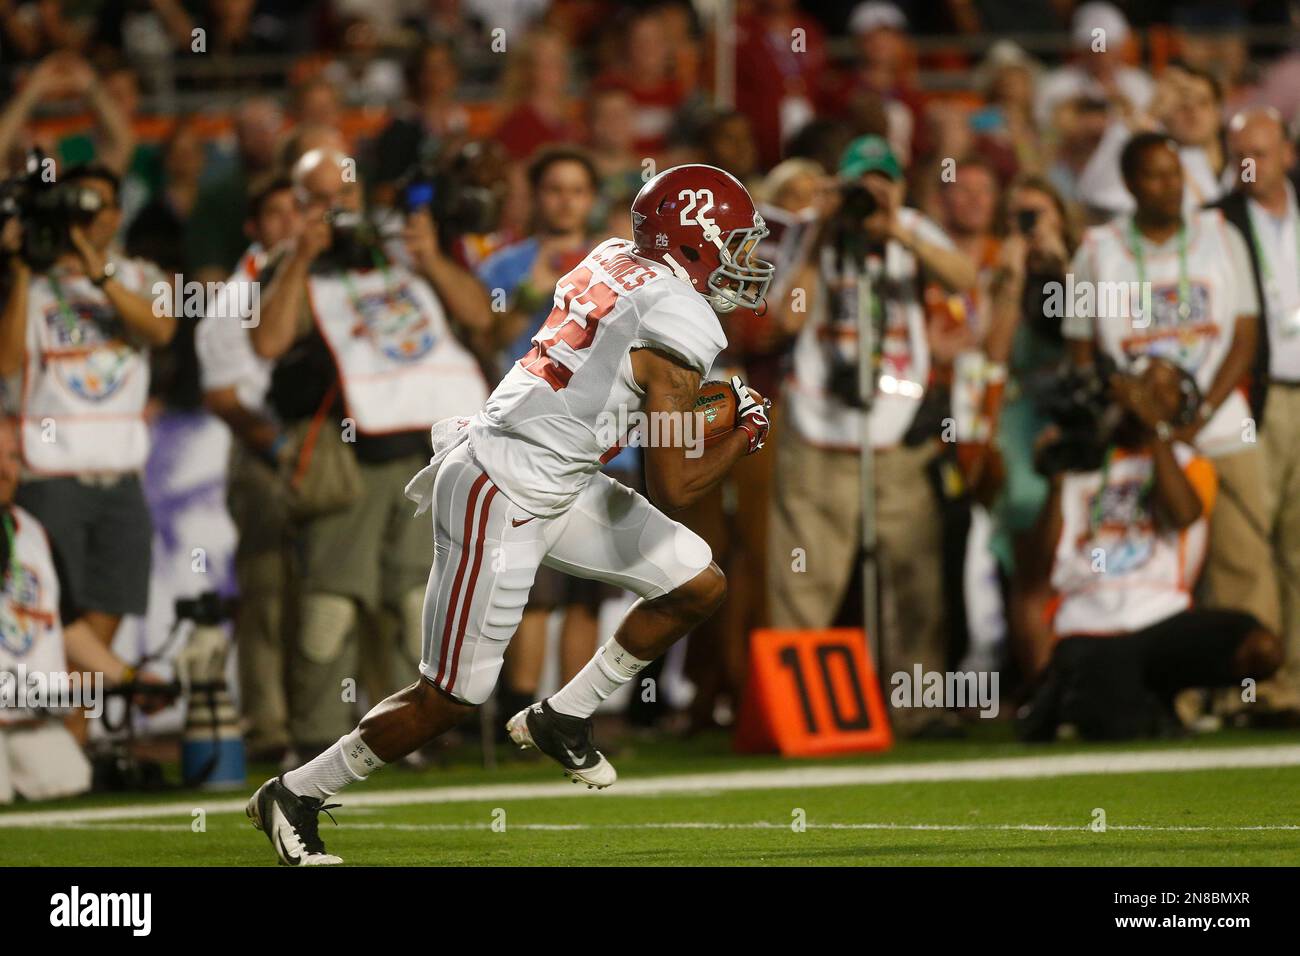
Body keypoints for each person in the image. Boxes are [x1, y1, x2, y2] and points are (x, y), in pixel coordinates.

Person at [247, 164, 775, 865]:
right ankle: (295, 792)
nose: (746, 260)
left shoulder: (615, 256)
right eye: (734, 242)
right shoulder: (679, 317)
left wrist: (697, 407)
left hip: (558, 473)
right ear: (694, 242)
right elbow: (675, 485)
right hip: (502, 489)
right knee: (451, 697)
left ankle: (565, 715)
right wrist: (742, 429)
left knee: (696, 583)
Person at [249, 148, 491, 758]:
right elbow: (269, 341)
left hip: (421, 452)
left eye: (346, 197)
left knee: (416, 604)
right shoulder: (293, 265)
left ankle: (412, 738)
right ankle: (315, 741)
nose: (338, 210)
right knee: (330, 605)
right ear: (301, 208)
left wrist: (432, 257)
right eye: (321, 200)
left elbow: (478, 318)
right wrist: (303, 255)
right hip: (345, 456)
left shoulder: (406, 255)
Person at [767, 135, 977, 734]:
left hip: (895, 431)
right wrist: (821, 235)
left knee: (915, 577)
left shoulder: (911, 227)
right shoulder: (810, 229)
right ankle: (796, 711)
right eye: (862, 184)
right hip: (816, 429)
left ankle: (918, 710)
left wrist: (899, 232)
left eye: (882, 182)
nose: (871, 196)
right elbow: (787, 316)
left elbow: (966, 280)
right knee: (803, 578)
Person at [1066, 132, 1280, 645]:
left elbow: (1245, 337)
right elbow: (1079, 354)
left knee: (1243, 558)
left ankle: (1254, 690)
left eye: (1175, 173)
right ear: (1129, 183)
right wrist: (1137, 415)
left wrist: (1196, 418)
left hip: (1222, 427)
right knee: (1154, 564)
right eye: (1155, 176)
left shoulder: (1222, 235)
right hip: (1140, 441)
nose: (1170, 187)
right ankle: (1175, 690)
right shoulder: (1096, 252)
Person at [1019, 358, 1282, 740]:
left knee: (1260, 648)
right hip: (1092, 625)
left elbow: (1181, 515)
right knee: (1119, 725)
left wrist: (1153, 428)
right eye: (1144, 384)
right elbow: (1041, 566)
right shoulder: (1087, 463)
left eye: (1164, 388)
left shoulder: (1189, 463)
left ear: (1182, 405)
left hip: (1163, 619)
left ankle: (1135, 698)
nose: (1151, 395)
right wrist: (1056, 483)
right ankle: (1076, 699)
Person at [0, 163, 175, 735]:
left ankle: (66, 742)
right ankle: (67, 747)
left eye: (97, 205)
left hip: (122, 480)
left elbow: (159, 331)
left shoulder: (141, 273)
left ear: (117, 216)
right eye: (75, 205)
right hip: (50, 479)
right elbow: (6, 364)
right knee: (59, 620)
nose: (85, 217)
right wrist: (22, 270)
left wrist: (97, 273)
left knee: (100, 630)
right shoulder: (28, 281)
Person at [195, 175, 302, 759]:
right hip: (265, 456)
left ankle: (324, 723)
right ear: (253, 228)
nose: (289, 224)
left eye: (297, 212)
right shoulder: (236, 299)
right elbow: (224, 398)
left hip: (319, 450)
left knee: (321, 594)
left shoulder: (309, 280)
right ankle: (268, 729)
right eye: (276, 215)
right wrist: (282, 451)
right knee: (266, 594)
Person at [1215, 107, 1300, 716]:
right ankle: (1253, 683)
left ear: (1288, 155)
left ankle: (1293, 681)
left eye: (1261, 153)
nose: (1250, 165)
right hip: (1254, 395)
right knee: (1247, 543)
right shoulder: (1215, 224)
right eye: (1239, 154)